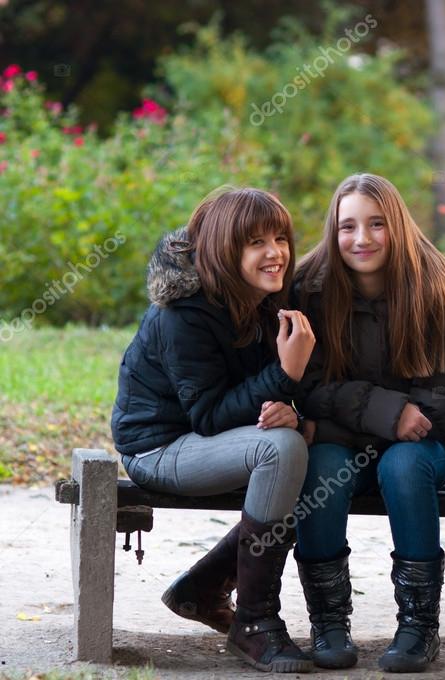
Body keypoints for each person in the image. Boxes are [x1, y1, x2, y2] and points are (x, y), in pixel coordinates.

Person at [110, 187, 317, 673]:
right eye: (256, 243)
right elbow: (208, 415)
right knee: (281, 451)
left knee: (309, 448)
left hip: (217, 440)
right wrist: (284, 377)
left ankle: (202, 588)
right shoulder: (184, 312)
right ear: (226, 251)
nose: (276, 253)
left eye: (280, 238)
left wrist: (293, 409)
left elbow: (284, 388)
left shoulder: (268, 296)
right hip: (159, 447)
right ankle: (255, 621)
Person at [291, 173, 445, 673]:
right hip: (341, 444)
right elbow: (306, 388)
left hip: (423, 443)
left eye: (375, 224)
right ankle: (329, 622)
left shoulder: (429, 289)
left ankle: (418, 627)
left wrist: (368, 422)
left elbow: (437, 408)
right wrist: (387, 414)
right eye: (348, 226)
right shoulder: (310, 291)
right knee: (322, 467)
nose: (362, 238)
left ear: (396, 226)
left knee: (403, 467)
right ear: (333, 231)